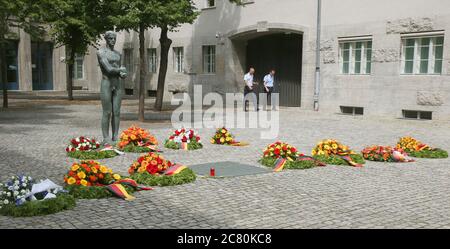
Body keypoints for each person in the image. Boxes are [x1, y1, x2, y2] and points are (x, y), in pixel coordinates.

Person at [97, 31, 128, 145]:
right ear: (106, 39)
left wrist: (123, 73)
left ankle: (115, 136)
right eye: (110, 38)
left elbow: (120, 69)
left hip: (117, 84)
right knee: (107, 112)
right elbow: (108, 69)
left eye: (114, 38)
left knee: (117, 112)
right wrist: (121, 70)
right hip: (106, 83)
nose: (113, 41)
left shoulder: (118, 54)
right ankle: (106, 137)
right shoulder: (101, 52)